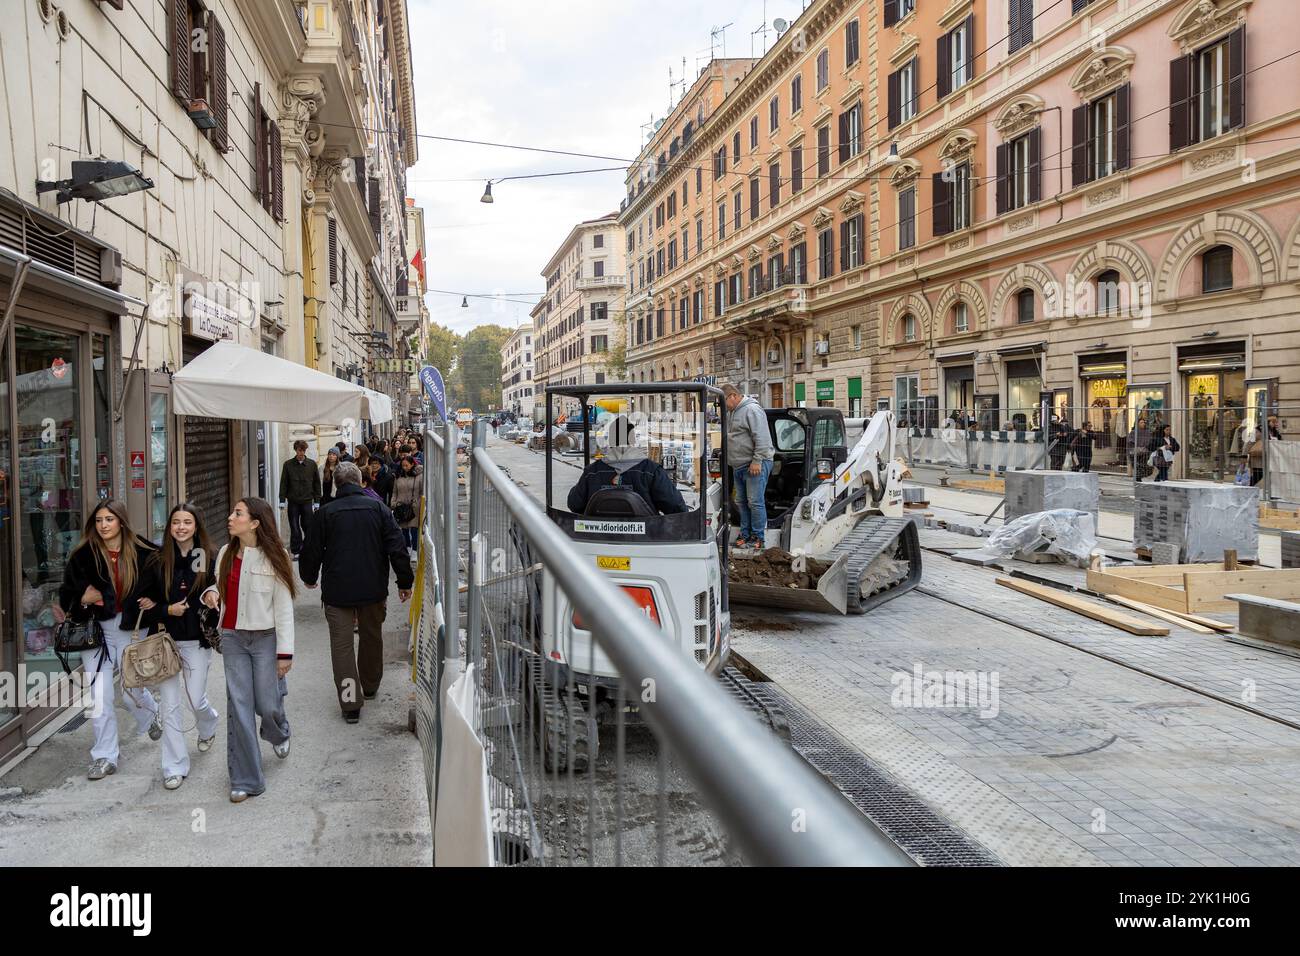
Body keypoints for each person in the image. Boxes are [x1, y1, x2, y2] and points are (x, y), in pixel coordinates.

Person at [58, 500, 163, 780]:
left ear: (121, 522)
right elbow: (66, 597)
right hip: (93, 630)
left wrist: (154, 601)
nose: (103, 525)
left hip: (128, 629)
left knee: (132, 690)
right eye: (99, 520)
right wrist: (83, 599)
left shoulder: (144, 552)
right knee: (99, 697)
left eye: (109, 519)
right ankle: (105, 756)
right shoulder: (83, 556)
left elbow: (162, 586)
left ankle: (151, 713)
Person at [299, 462, 412, 723]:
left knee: (342, 647)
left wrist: (308, 576)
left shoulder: (326, 514)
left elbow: (311, 549)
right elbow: (397, 547)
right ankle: (370, 685)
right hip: (372, 588)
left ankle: (350, 704)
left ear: (337, 484)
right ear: (361, 481)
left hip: (337, 591)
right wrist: (404, 582)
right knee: (372, 638)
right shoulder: (379, 509)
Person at [200, 498, 295, 803]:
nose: (230, 517)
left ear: (254, 523)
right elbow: (218, 587)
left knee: (267, 704)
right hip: (233, 639)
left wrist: (285, 654)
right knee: (240, 707)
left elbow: (283, 609)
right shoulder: (226, 553)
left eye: (237, 514)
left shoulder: (276, 556)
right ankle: (245, 779)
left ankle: (277, 731)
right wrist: (211, 593)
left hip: (266, 639)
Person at [152, 503, 221, 790]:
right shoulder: (158, 559)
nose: (181, 527)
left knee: (195, 698)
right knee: (169, 705)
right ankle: (174, 766)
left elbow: (216, 586)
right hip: (165, 641)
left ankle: (208, 724)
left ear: (196, 526)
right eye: (176, 522)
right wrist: (166, 610)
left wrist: (212, 593)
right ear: (169, 527)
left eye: (187, 522)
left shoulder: (206, 556)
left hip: (196, 639)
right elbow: (142, 601)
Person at [566, 415, 687, 516]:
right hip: (646, 537)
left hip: (598, 536)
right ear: (633, 439)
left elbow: (574, 504)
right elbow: (676, 507)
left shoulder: (592, 472)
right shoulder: (651, 471)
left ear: (611, 440)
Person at [722, 384, 774, 550]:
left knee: (755, 502)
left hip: (754, 465)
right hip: (739, 465)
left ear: (733, 396)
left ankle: (758, 537)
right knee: (742, 502)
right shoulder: (732, 412)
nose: (723, 406)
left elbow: (763, 438)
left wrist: (757, 460)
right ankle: (745, 535)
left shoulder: (752, 410)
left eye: (724, 401)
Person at [278, 440, 321, 558]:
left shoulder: (312, 464)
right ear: (295, 450)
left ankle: (308, 548)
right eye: (299, 450)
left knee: (307, 526)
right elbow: (284, 483)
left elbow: (317, 484)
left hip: (307, 501)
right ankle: (296, 551)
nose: (301, 453)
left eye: (303, 450)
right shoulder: (288, 465)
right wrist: (282, 500)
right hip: (293, 501)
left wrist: (317, 502)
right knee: (294, 527)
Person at [390, 454, 423, 553]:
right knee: (403, 529)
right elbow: (395, 491)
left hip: (414, 506)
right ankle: (408, 547)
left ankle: (415, 549)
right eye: (403, 465)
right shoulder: (398, 476)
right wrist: (393, 503)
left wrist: (419, 503)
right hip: (401, 506)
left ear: (412, 464)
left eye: (406, 465)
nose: (404, 468)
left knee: (414, 529)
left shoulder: (419, 476)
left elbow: (422, 491)